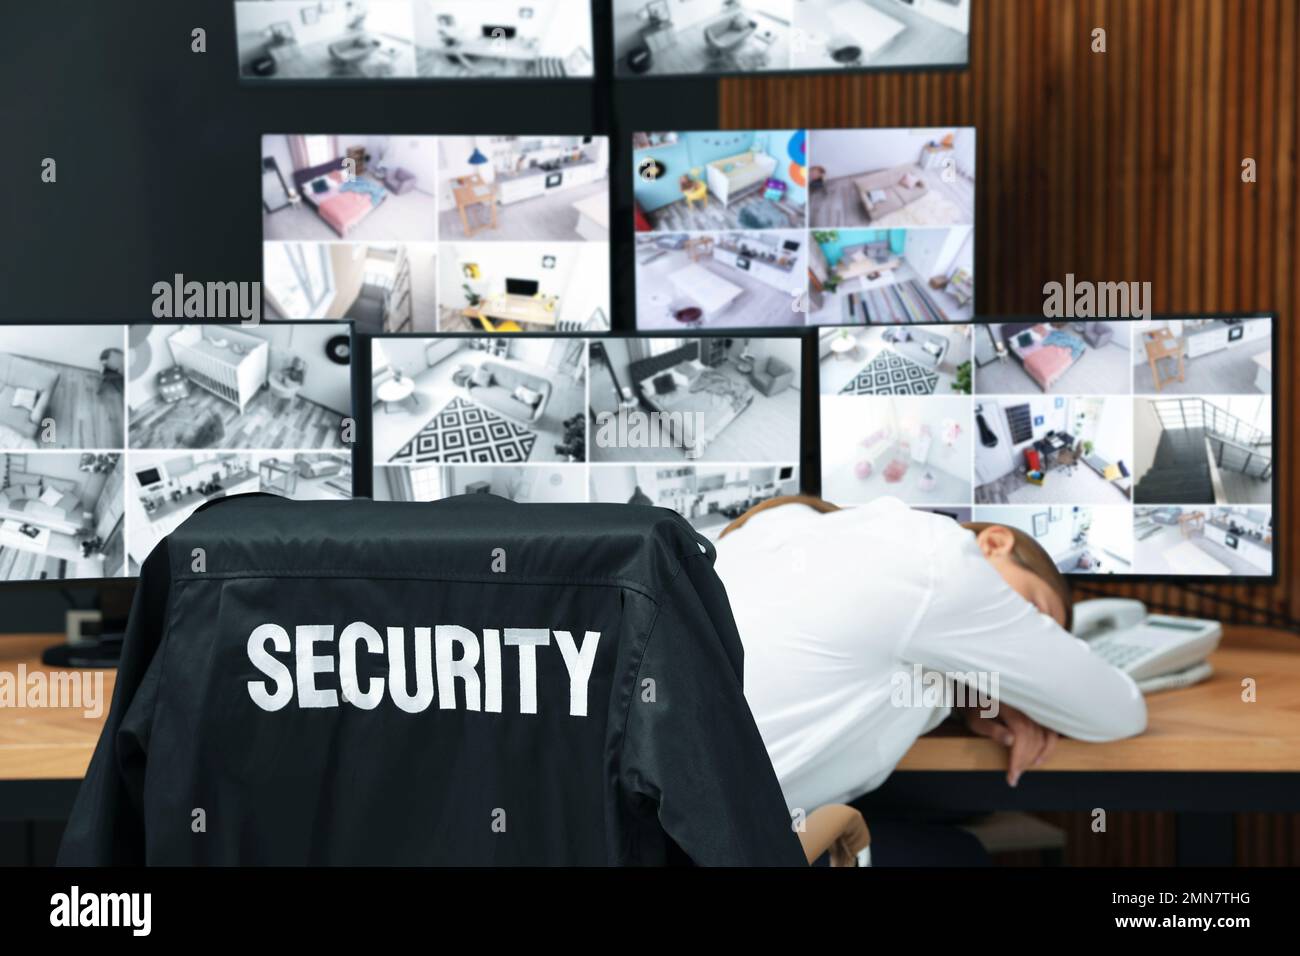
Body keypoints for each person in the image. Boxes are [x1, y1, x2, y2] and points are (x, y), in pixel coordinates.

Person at [713, 495, 1148, 864]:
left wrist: (977, 696)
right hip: (714, 847)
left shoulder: (791, 524)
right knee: (959, 855)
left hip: (670, 820)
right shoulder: (947, 565)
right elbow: (1120, 713)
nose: (1026, 639)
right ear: (995, 541)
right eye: (1035, 614)